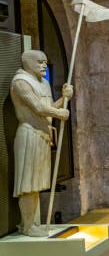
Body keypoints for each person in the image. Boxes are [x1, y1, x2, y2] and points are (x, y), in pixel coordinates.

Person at [11, 50, 72, 237]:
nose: (44, 65)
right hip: (29, 134)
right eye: (40, 62)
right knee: (28, 185)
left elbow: (49, 108)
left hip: (43, 136)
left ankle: (31, 223)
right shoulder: (21, 82)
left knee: (36, 185)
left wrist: (64, 97)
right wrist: (59, 114)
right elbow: (37, 108)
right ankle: (28, 226)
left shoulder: (43, 83)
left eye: (45, 62)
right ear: (28, 63)